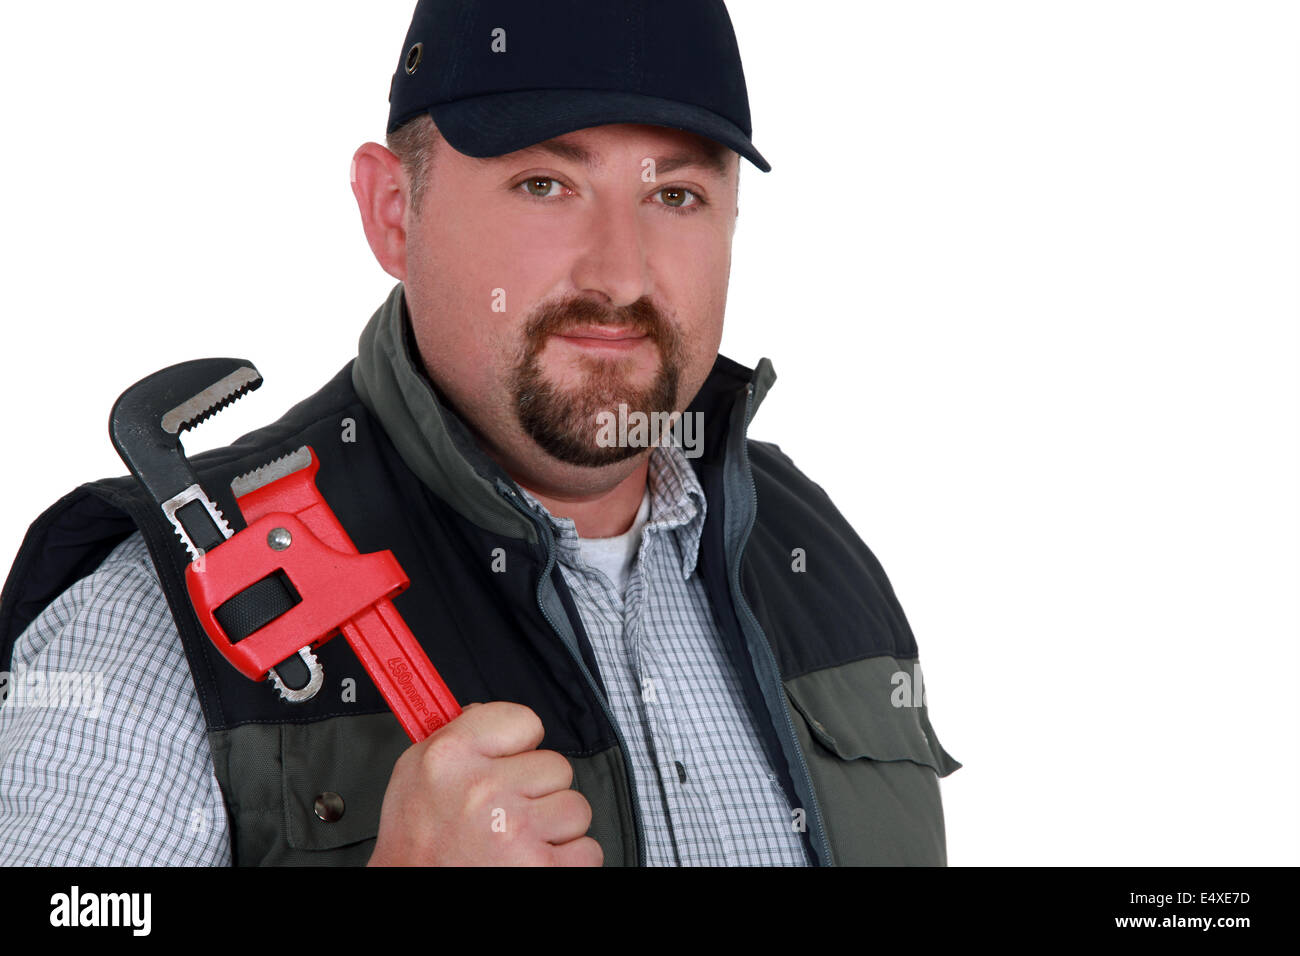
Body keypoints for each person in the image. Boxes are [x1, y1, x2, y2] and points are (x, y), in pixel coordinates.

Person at [0, 0, 959, 866]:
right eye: (545, 184)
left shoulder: (814, 550)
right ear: (392, 212)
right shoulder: (150, 623)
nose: (621, 275)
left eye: (676, 195)